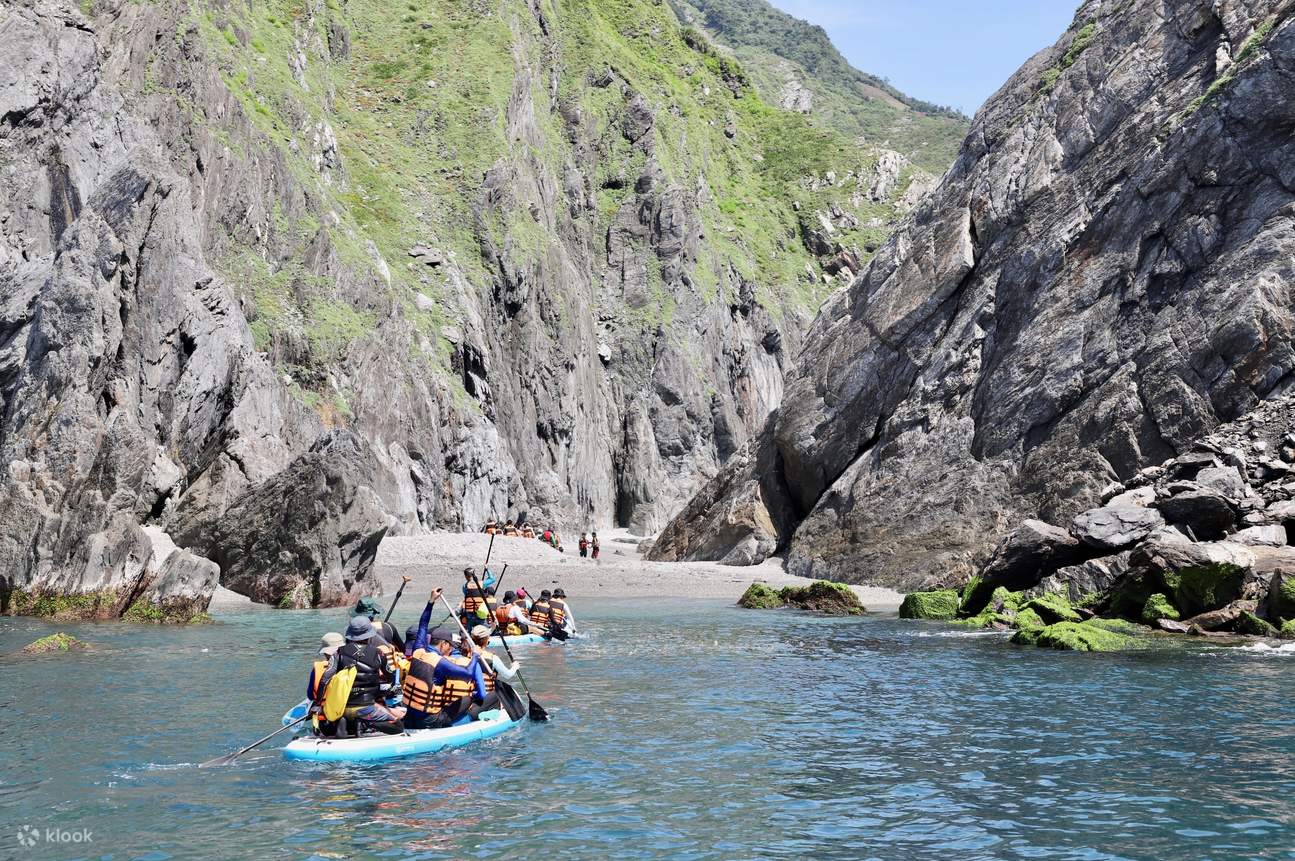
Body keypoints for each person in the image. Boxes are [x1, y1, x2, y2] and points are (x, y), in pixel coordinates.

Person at [318, 616, 405, 735]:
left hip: (342, 707)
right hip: (366, 708)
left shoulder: (338, 653)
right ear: (369, 636)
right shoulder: (379, 653)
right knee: (398, 727)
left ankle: (344, 721)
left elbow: (325, 679)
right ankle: (366, 723)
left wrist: (317, 704)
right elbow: (391, 677)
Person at [468, 625, 519, 697]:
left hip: (470, 694)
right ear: (486, 640)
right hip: (487, 696)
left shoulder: (467, 655)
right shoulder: (492, 658)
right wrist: (515, 667)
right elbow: (507, 675)